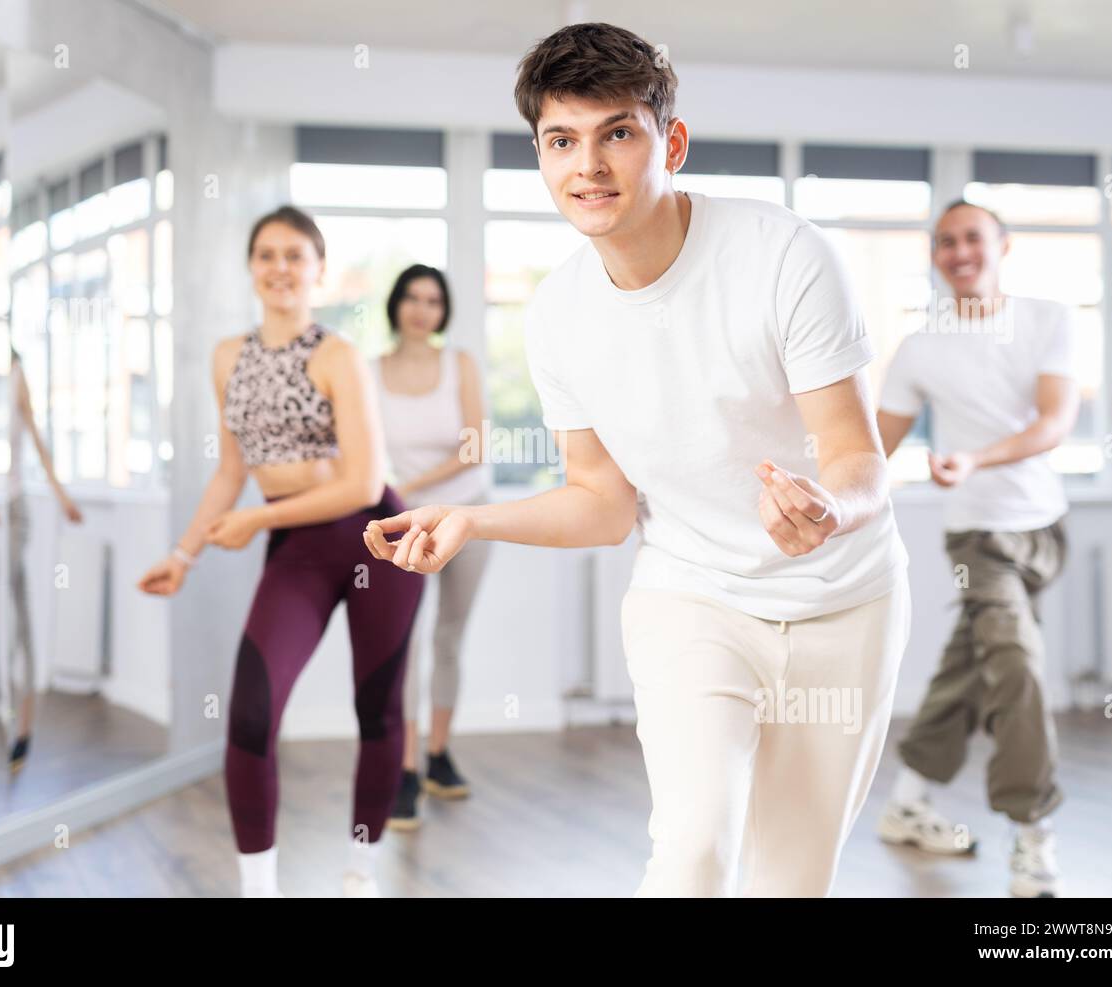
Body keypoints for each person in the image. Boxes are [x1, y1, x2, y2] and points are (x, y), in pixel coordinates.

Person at [365, 22, 910, 897]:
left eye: (618, 131)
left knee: (790, 880)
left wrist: (828, 507)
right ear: (540, 157)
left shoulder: (785, 256)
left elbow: (858, 455)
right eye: (561, 140)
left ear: (672, 142)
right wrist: (473, 517)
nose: (589, 165)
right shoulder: (556, 316)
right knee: (692, 851)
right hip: (690, 596)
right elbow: (603, 503)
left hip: (844, 603)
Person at [138, 206, 423, 897]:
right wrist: (185, 552)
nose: (280, 268)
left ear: (319, 270)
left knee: (377, 710)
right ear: (250, 267)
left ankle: (361, 866)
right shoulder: (226, 357)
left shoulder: (338, 356)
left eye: (296, 255)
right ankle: (258, 886)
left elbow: (361, 480)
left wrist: (258, 520)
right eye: (267, 254)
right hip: (297, 547)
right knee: (252, 712)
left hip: (377, 540)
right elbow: (233, 471)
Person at [875, 199, 1079, 898]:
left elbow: (1054, 422)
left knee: (972, 663)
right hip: (976, 537)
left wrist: (976, 457)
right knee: (1016, 660)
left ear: (1003, 245)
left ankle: (906, 799)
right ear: (935, 256)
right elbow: (872, 448)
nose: (958, 251)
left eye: (972, 238)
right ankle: (1033, 832)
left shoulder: (1048, 319)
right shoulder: (920, 348)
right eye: (944, 242)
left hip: (1046, 526)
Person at [371, 264, 491, 831]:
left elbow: (474, 447)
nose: (422, 309)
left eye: (433, 301)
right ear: (396, 305)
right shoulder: (368, 373)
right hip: (406, 525)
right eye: (412, 299)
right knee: (405, 647)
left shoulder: (458, 365)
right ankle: (407, 768)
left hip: (464, 515)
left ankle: (440, 753)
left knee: (449, 636)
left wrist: (406, 490)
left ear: (444, 311)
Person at [4, 349, 84, 773]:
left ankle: (24, 725)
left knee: (18, 619)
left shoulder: (18, 377)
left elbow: (37, 440)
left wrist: (62, 496)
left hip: (13, 514)